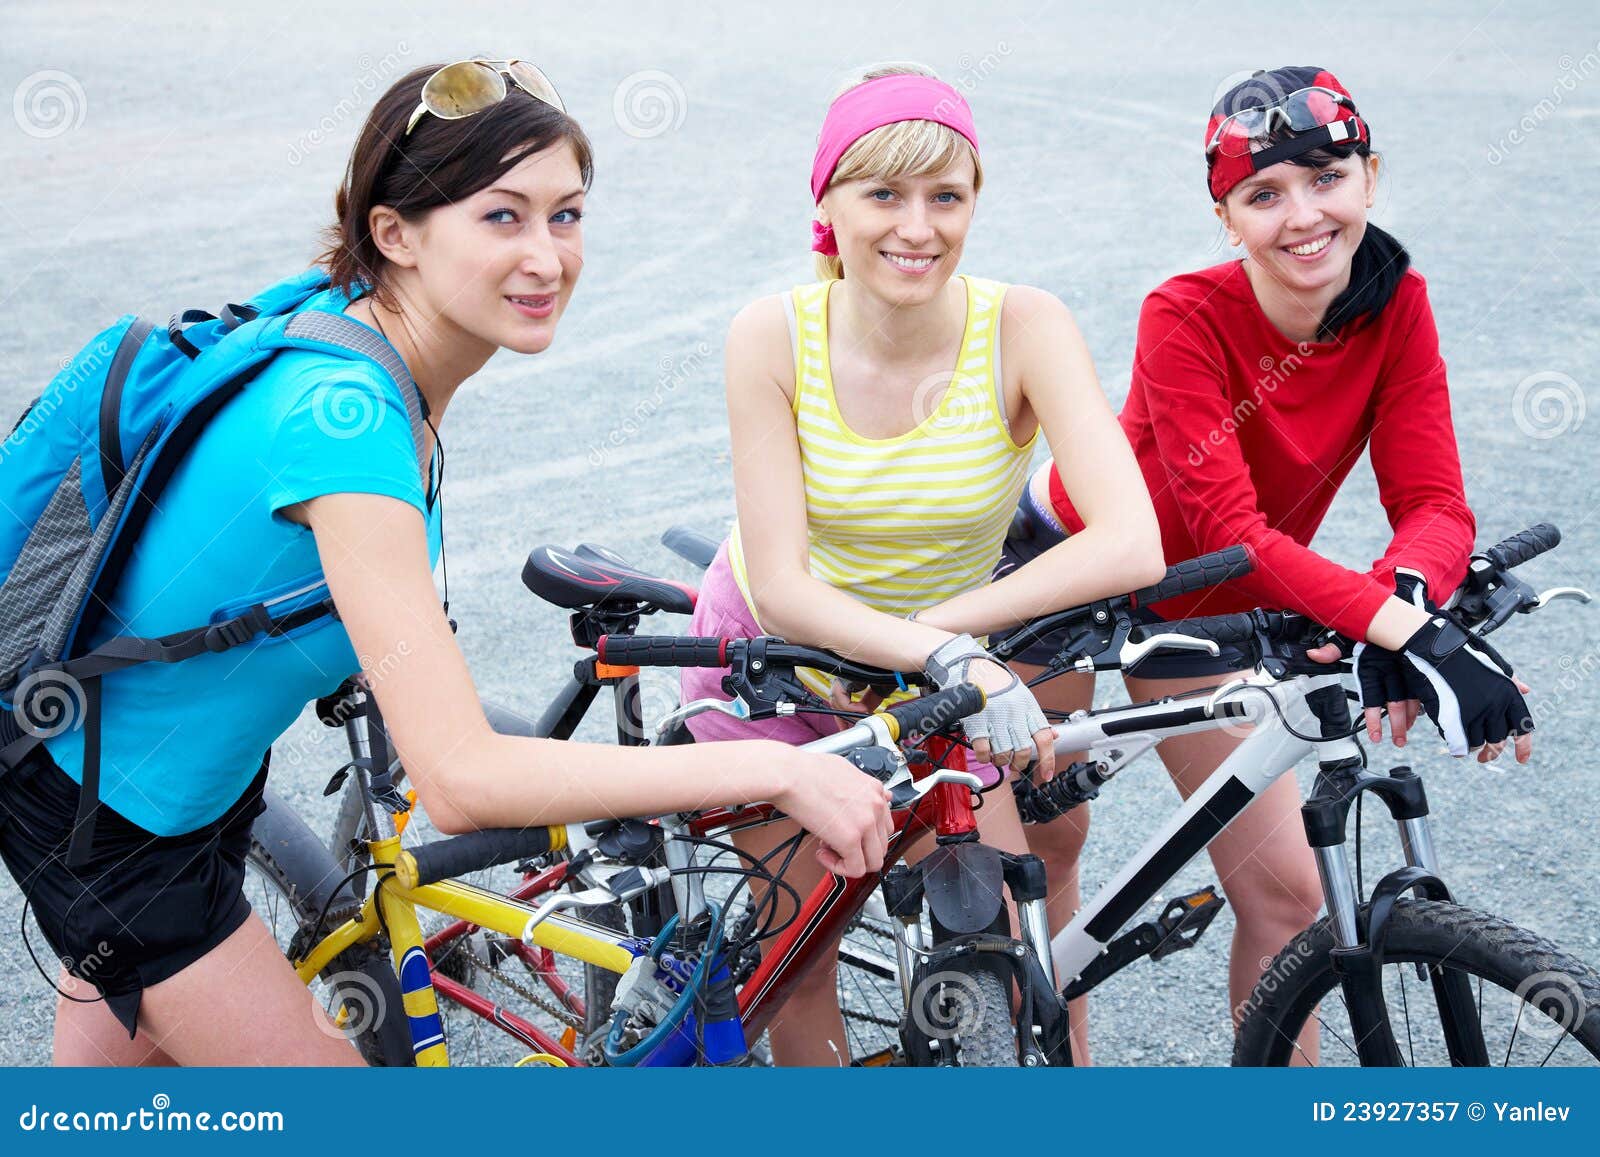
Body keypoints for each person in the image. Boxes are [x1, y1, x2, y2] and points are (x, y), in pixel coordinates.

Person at [0, 60, 893, 1067]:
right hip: (103, 820)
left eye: (566, 215)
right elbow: (461, 778)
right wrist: (780, 762)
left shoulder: (356, 323)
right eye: (501, 217)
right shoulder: (341, 422)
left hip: (184, 782)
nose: (547, 256)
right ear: (395, 234)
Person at [996, 66, 1534, 1063]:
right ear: (1226, 217)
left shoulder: (1395, 301)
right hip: (1063, 573)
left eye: (1325, 177)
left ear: (1370, 177)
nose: (1301, 216)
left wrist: (1407, 601)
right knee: (1045, 846)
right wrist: (1405, 630)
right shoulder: (1183, 311)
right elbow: (1223, 517)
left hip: (1213, 604)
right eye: (1262, 194)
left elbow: (1431, 503)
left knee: (1289, 896)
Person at [680, 63, 1165, 1065]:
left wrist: (943, 639)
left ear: (975, 203)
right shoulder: (768, 336)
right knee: (799, 960)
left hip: (937, 682)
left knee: (998, 934)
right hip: (778, 670)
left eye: (946, 196)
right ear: (828, 204)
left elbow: (1131, 540)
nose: (917, 227)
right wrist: (948, 649)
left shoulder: (1023, 325)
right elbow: (781, 584)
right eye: (883, 194)